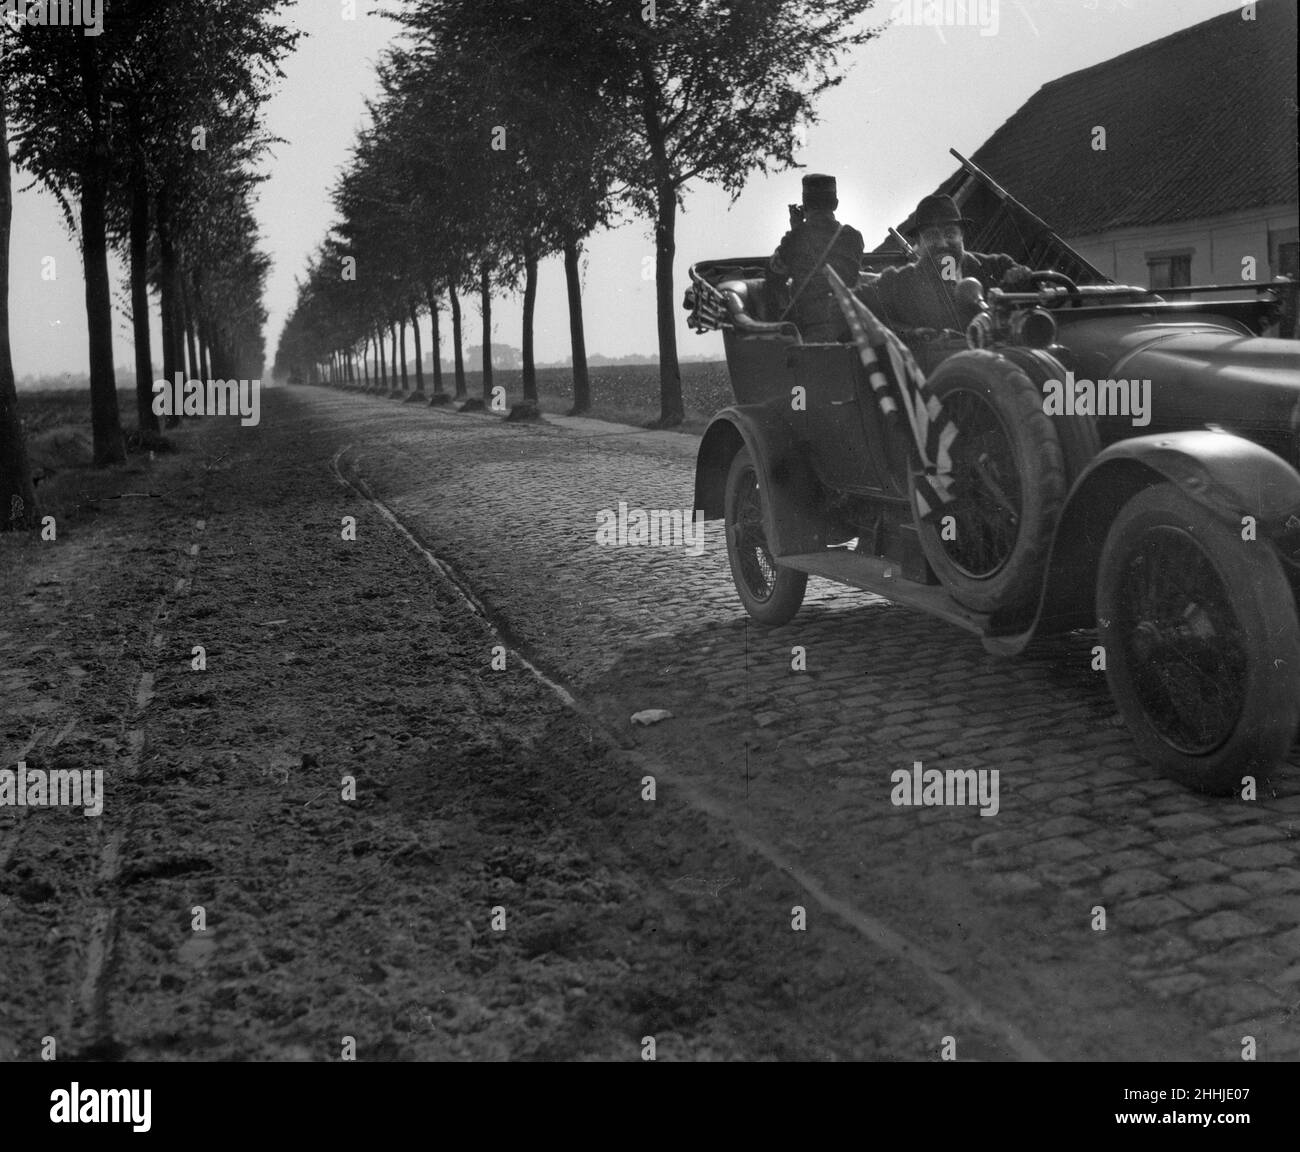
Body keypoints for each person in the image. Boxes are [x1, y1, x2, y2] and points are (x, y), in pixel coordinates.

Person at [876, 194, 1035, 334]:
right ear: (918, 242)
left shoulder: (998, 267)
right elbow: (856, 310)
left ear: (962, 236)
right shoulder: (895, 284)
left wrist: (1022, 281)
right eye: (932, 236)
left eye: (950, 234)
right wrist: (909, 332)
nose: (942, 243)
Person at [767, 174, 865, 342]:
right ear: (835, 204)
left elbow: (774, 271)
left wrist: (796, 230)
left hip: (811, 327)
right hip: (851, 324)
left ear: (805, 204)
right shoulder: (853, 236)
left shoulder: (796, 237)